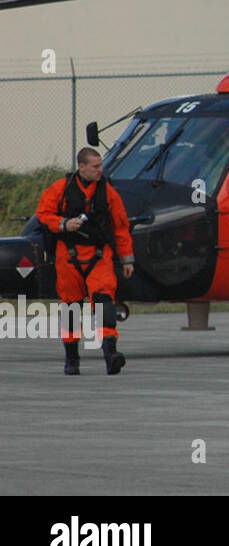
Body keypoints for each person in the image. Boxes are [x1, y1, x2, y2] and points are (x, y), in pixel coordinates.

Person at [36, 147, 135, 375]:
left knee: (103, 301)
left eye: (101, 165)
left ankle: (111, 355)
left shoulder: (108, 192)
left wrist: (127, 259)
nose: (100, 170)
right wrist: (63, 225)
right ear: (82, 167)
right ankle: (72, 359)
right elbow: (44, 213)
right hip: (68, 255)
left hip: (98, 254)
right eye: (95, 166)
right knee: (71, 305)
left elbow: (120, 227)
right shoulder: (60, 189)